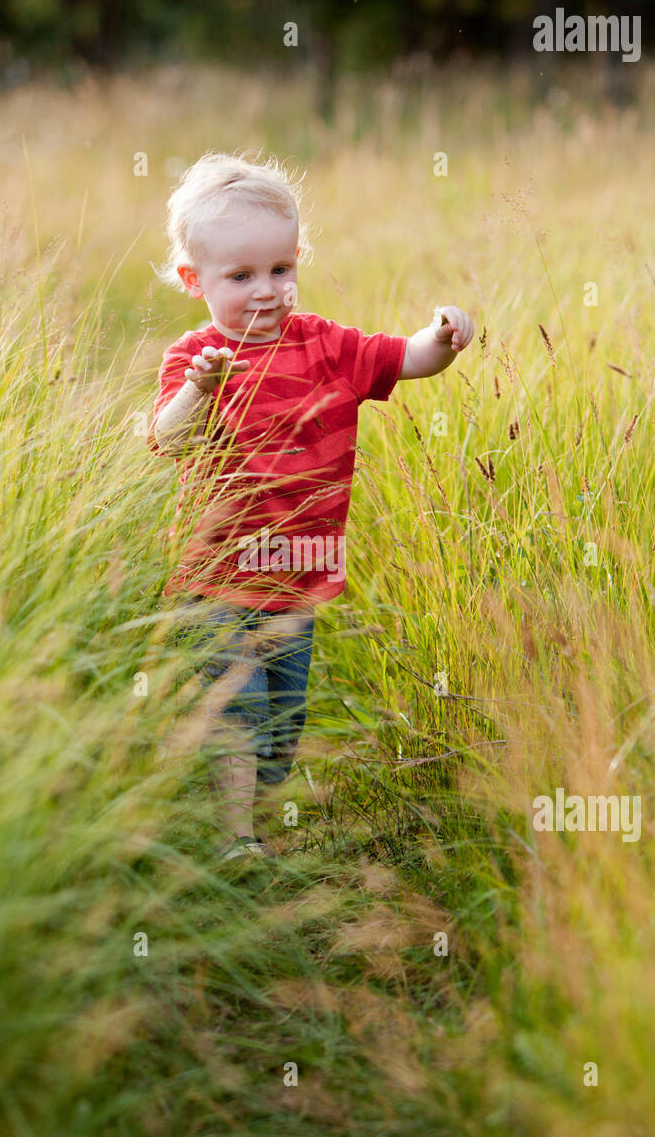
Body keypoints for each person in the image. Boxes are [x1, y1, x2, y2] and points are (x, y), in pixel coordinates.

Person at [148, 151, 474, 863]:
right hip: (216, 575)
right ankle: (236, 839)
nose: (265, 291)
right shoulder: (198, 356)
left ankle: (247, 803)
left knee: (280, 729)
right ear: (193, 280)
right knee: (239, 708)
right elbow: (165, 440)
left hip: (298, 578)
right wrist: (198, 391)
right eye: (240, 277)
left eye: (279, 270)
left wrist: (444, 338)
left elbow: (407, 358)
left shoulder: (327, 345)